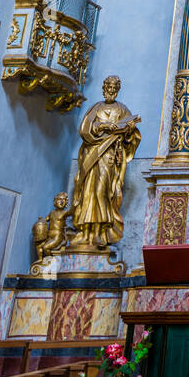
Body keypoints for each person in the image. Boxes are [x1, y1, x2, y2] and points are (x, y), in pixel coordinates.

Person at [68, 76, 141, 251]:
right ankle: (85, 232)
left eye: (114, 87)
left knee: (102, 192)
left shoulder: (122, 110)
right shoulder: (96, 108)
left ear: (117, 89)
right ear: (103, 88)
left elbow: (130, 136)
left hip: (109, 156)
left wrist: (129, 130)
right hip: (91, 153)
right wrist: (101, 127)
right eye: (108, 86)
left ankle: (100, 232)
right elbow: (85, 129)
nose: (110, 90)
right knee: (87, 192)